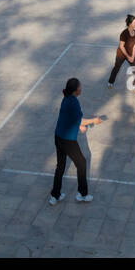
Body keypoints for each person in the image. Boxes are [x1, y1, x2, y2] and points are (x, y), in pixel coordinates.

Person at [50, 77, 102, 205]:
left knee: (60, 166)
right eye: (79, 87)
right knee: (82, 163)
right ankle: (82, 194)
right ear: (75, 91)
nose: (81, 89)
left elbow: (68, 117)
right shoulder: (73, 102)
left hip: (58, 137)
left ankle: (55, 195)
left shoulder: (66, 98)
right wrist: (93, 121)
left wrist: (78, 126)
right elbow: (80, 119)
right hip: (68, 140)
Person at [107, 14, 135, 91]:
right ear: (130, 23)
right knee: (116, 68)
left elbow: (134, 44)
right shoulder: (124, 33)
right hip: (121, 54)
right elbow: (121, 46)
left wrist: (132, 56)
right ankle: (110, 82)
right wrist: (128, 57)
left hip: (130, 53)